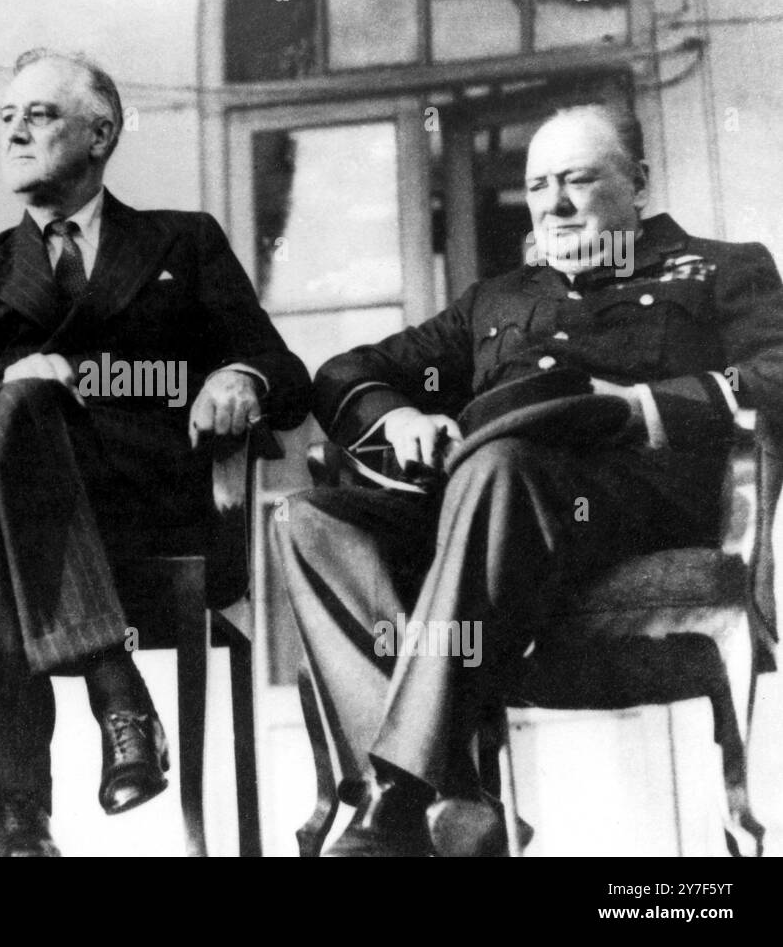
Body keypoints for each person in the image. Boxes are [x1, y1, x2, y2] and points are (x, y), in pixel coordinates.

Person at [275, 103, 783, 857]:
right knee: (310, 518)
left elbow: (776, 373)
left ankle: (400, 798)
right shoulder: (498, 298)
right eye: (540, 184)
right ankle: (456, 792)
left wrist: (639, 404)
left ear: (637, 184)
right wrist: (400, 419)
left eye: (579, 179)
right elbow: (349, 372)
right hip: (490, 515)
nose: (555, 203)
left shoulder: (720, 266)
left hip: (634, 501)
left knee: (497, 463)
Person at [0, 47, 310, 856]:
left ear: (101, 133)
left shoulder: (182, 243)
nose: (14, 132)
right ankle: (116, 690)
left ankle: (16, 817)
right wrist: (14, 389)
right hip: (4, 482)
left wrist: (237, 375)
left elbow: (284, 372)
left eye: (40, 115)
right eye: (7, 116)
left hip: (137, 489)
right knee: (10, 430)